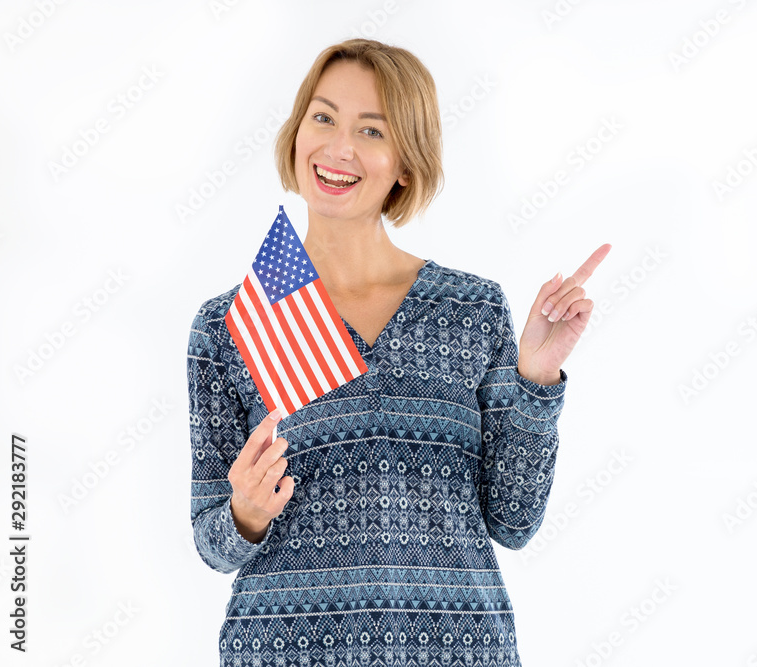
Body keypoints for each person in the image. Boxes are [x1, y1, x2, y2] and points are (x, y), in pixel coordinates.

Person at [187, 38, 610, 666]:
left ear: (406, 165)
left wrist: (535, 377)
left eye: (371, 130)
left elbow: (514, 522)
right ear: (297, 132)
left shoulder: (471, 310)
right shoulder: (230, 325)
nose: (339, 147)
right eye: (323, 117)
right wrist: (245, 513)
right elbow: (212, 544)